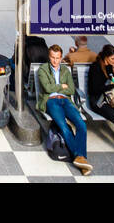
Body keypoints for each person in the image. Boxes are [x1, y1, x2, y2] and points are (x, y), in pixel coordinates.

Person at [37, 44, 92, 175]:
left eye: (57, 58)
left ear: (61, 58)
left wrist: (56, 87)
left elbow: (71, 89)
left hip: (66, 100)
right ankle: (80, 159)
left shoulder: (65, 70)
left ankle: (80, 158)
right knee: (63, 126)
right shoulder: (43, 69)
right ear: (49, 57)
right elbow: (47, 88)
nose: (55, 61)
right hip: (51, 101)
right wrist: (61, 85)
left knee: (81, 125)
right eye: (52, 57)